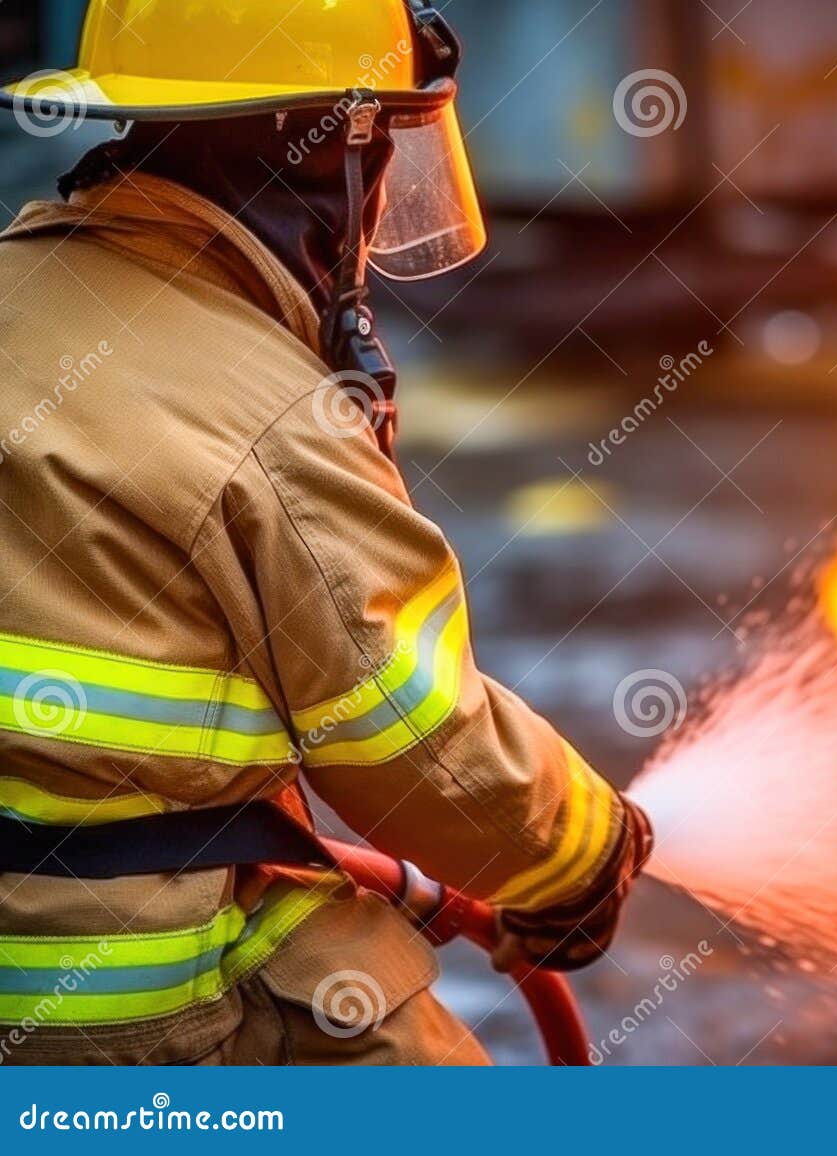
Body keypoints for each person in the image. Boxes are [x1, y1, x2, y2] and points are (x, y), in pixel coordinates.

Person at [0, 0, 651, 1065]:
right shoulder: (267, 414)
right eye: (388, 150)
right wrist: (581, 854)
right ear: (330, 162)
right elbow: (407, 734)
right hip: (112, 1011)